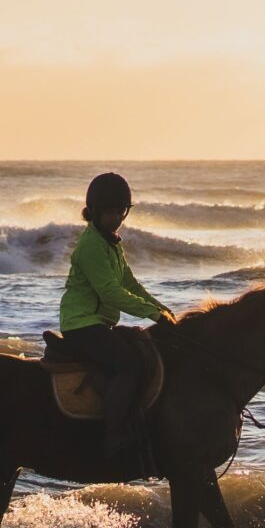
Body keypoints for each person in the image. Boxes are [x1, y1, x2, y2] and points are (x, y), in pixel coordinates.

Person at [60, 171, 176, 467]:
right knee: (130, 364)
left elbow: (131, 285)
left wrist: (163, 311)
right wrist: (152, 314)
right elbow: (111, 292)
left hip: (99, 323)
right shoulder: (91, 247)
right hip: (81, 324)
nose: (115, 218)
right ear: (95, 212)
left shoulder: (111, 243)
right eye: (109, 212)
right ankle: (113, 437)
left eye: (119, 212)